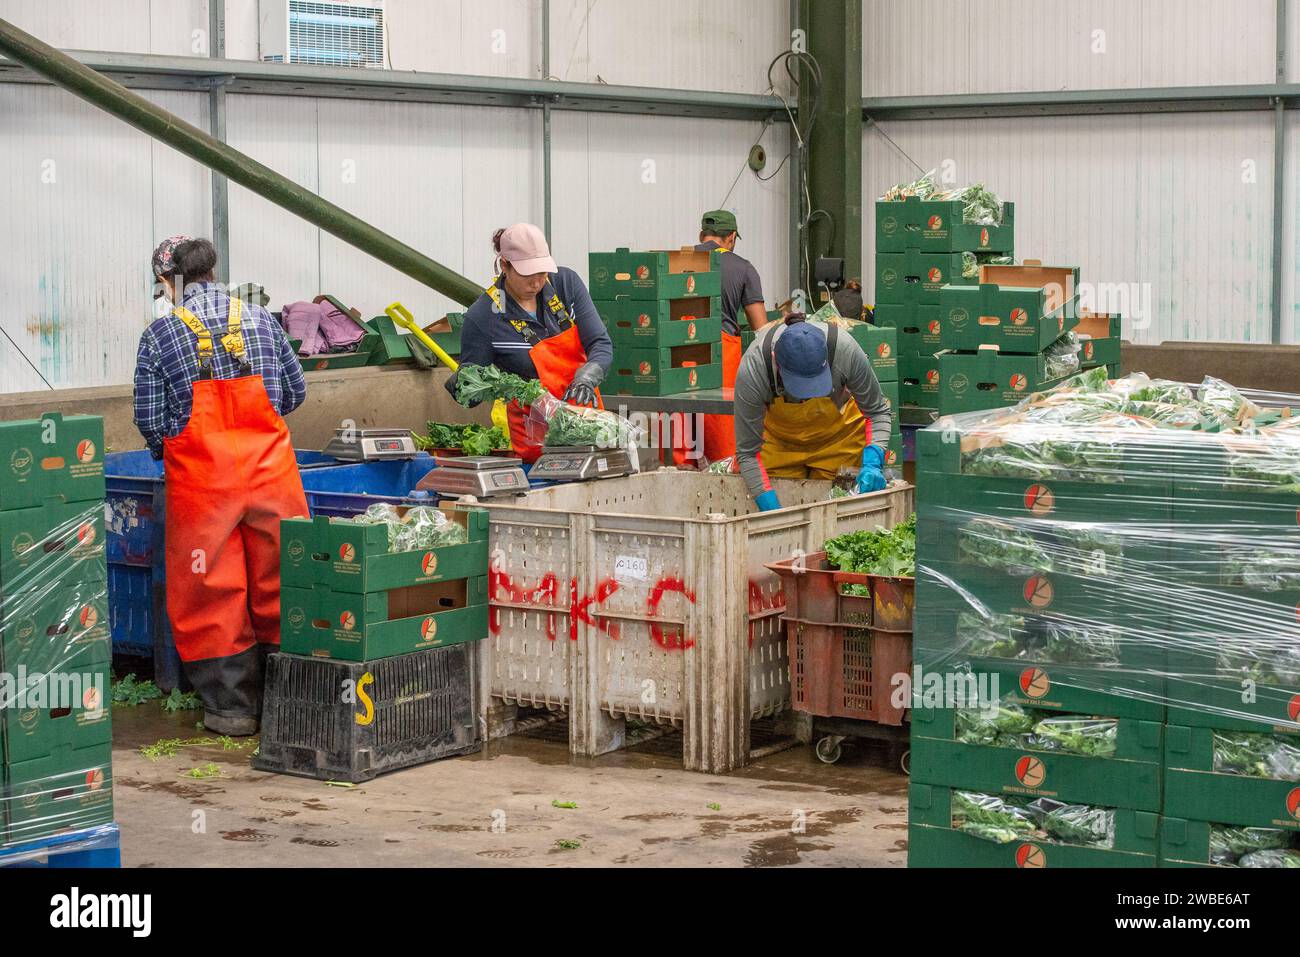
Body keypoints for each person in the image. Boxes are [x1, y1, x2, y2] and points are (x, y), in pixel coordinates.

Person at [134, 237, 308, 736]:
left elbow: (148, 418)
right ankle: (294, 703)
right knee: (283, 576)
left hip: (204, 485)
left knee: (210, 588)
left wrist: (171, 447)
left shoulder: (160, 333)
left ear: (169, 281)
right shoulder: (259, 319)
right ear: (211, 272)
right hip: (271, 473)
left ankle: (232, 710)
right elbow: (295, 391)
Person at [450, 223, 612, 462]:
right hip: (533, 444)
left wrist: (587, 378)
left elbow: (600, 344)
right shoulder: (482, 317)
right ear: (505, 265)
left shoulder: (566, 284)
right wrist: (466, 383)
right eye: (528, 275)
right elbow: (470, 391)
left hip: (586, 425)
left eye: (542, 272)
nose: (536, 283)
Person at [732, 314, 892, 510]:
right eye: (798, 386)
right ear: (776, 360)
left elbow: (877, 412)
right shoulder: (754, 368)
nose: (807, 397)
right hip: (779, 446)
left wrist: (873, 462)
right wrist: (772, 511)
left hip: (839, 441)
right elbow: (748, 452)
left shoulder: (844, 350)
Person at [694, 209, 769, 464]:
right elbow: (761, 329)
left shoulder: (675, 261)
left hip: (677, 358)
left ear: (701, 235)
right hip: (720, 358)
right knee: (722, 441)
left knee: (680, 434)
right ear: (732, 237)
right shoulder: (743, 269)